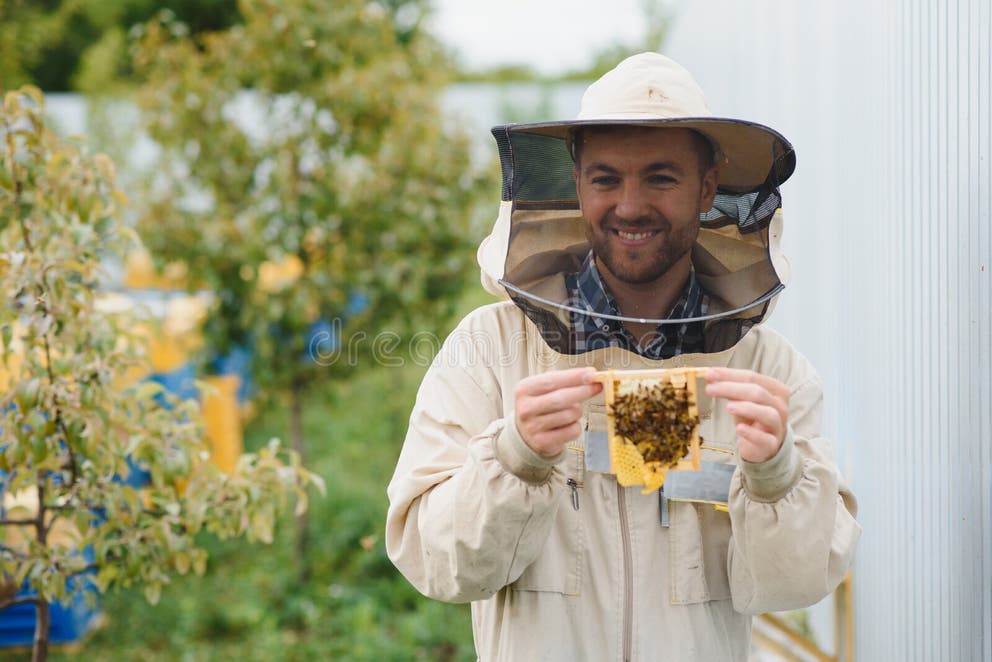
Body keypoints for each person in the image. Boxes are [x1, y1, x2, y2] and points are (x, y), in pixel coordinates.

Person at [386, 52, 860, 661]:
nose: (630, 206)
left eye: (661, 178)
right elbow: (435, 565)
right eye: (606, 178)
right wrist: (513, 459)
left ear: (707, 187)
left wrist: (776, 478)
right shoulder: (489, 351)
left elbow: (796, 586)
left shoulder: (769, 371)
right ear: (578, 184)